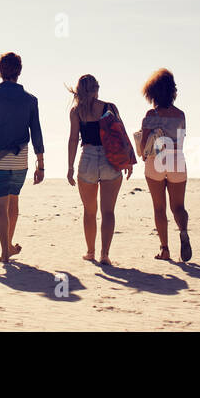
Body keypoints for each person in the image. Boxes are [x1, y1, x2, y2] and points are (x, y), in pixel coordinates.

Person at [0, 52, 44, 264]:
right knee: (14, 201)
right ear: (19, 71)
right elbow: (36, 133)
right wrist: (41, 164)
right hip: (21, 159)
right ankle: (9, 245)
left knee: (1, 204)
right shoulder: (30, 100)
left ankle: (5, 251)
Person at [66, 74, 133, 264]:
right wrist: (127, 159)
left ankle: (90, 252)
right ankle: (105, 254)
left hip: (87, 159)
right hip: (109, 159)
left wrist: (70, 167)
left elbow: (73, 139)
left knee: (89, 211)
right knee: (108, 211)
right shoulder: (109, 107)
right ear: (96, 89)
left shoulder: (76, 111)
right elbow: (121, 133)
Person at [139, 68, 190, 262]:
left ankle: (165, 249)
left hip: (156, 161)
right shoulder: (180, 115)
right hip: (176, 159)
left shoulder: (150, 115)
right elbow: (181, 139)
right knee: (178, 206)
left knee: (159, 208)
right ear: (172, 91)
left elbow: (144, 147)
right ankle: (183, 231)